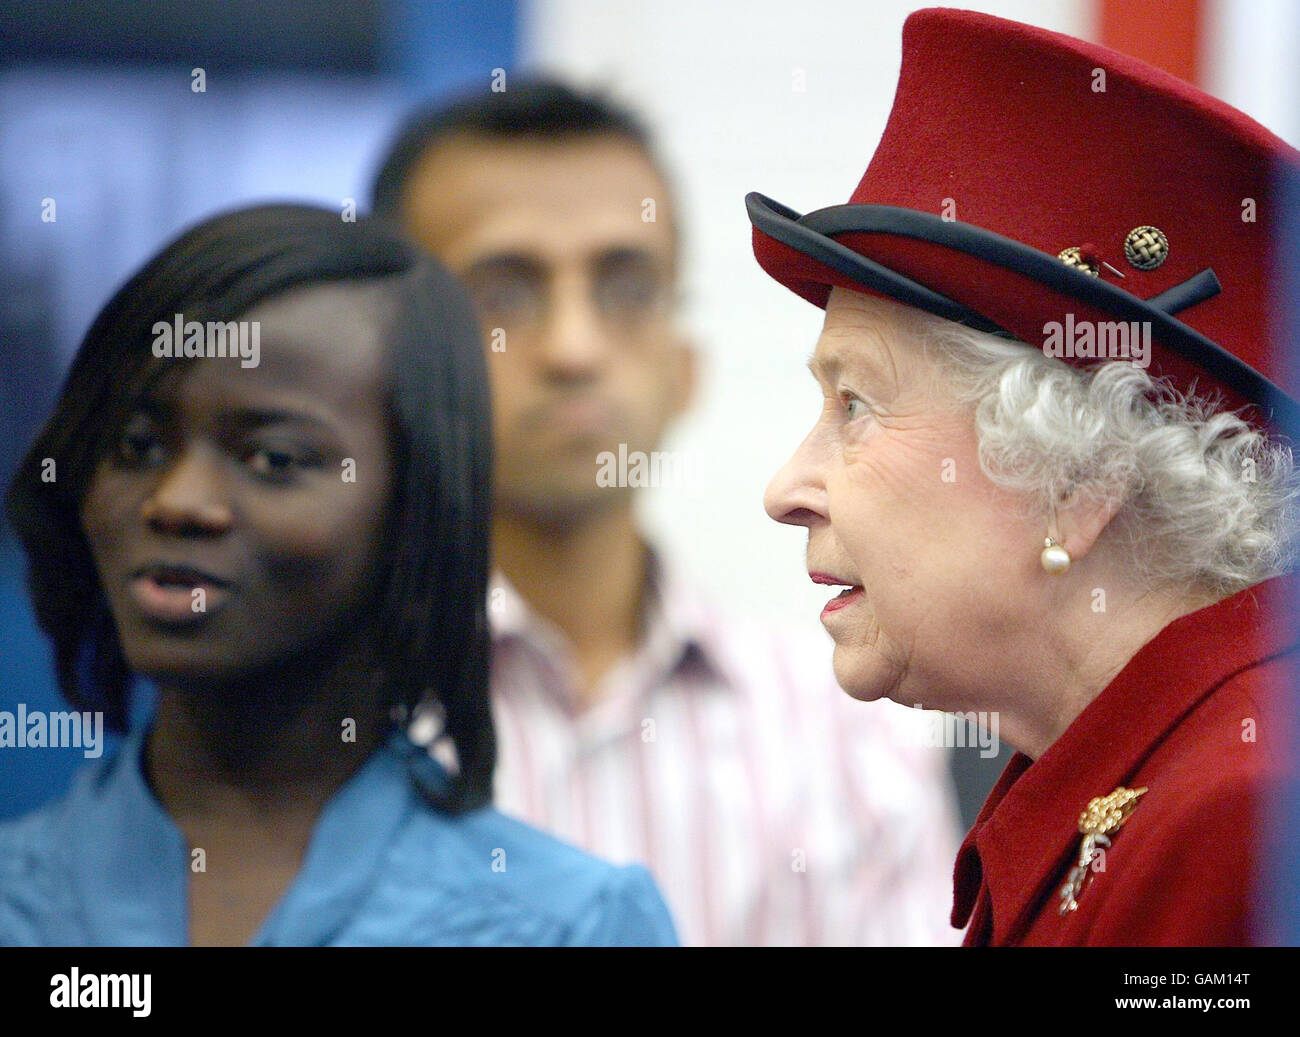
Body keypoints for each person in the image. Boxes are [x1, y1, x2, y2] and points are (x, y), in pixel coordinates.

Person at [752, 8, 1300, 946]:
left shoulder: (1239, 818)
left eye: (857, 406)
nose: (786, 487)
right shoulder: (1163, 775)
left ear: (1080, 480)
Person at [370, 79, 963, 946]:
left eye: (624, 288)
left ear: (685, 362)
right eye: (503, 293)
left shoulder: (846, 731)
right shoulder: (318, 720)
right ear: (390, 360)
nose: (574, 348)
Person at [0, 203, 678, 946]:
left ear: (420, 507)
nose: (177, 502)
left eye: (275, 459)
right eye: (136, 445)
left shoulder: (570, 925)